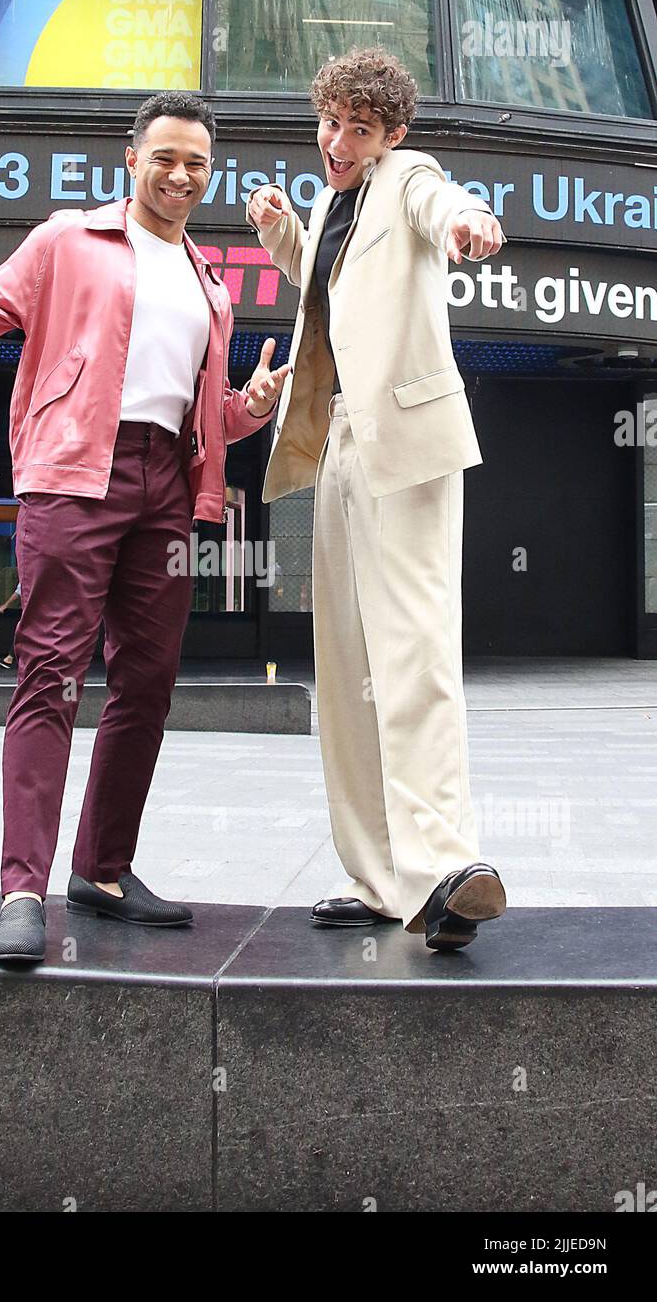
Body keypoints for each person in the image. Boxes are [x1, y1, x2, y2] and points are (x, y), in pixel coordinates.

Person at [0, 91, 288, 964]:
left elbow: (202, 412)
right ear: (130, 158)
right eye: (164, 156)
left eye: (196, 162)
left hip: (168, 481)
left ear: (210, 173)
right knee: (50, 669)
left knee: (148, 683)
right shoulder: (67, 240)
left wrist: (247, 407)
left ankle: (104, 871)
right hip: (73, 475)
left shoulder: (210, 281)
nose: (179, 174)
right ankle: (22, 888)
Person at [246, 47, 507, 952]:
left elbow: (444, 208)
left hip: (406, 440)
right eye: (329, 122)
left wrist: (471, 221)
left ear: (392, 133)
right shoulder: (331, 202)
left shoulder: (407, 178)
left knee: (415, 649)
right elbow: (332, 290)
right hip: (340, 442)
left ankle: (443, 866)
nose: (338, 141)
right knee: (347, 661)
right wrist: (284, 232)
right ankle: (373, 872)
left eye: (358, 128)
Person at [0, 580, 21, 670]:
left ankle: (10, 658)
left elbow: (19, 591)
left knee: (22, 631)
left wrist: (6, 604)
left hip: (35, 609)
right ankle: (10, 657)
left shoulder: (28, 572)